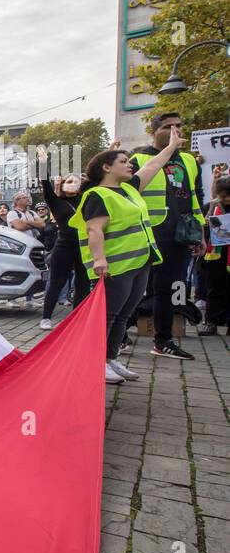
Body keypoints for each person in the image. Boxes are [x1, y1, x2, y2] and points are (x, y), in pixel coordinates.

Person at [72, 138, 180, 384]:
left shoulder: (130, 189)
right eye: (123, 161)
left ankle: (110, 359)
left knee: (123, 316)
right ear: (106, 168)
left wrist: (171, 147)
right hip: (115, 266)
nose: (130, 165)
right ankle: (96, 363)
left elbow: (153, 166)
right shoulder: (98, 195)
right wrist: (99, 259)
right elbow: (94, 230)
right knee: (107, 316)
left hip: (139, 261)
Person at [129, 112, 206, 360]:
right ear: (154, 132)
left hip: (181, 233)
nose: (175, 130)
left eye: (179, 126)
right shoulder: (139, 158)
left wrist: (200, 232)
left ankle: (163, 341)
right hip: (148, 231)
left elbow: (195, 196)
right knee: (132, 287)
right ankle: (116, 336)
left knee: (171, 288)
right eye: (168, 127)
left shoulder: (189, 160)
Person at [38, 174, 91, 330]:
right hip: (63, 246)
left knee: (83, 282)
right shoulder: (56, 201)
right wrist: (42, 164)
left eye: (76, 181)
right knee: (56, 282)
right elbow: (45, 184)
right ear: (62, 185)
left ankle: (77, 318)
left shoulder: (87, 199)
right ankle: (46, 318)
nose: (72, 183)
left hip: (83, 246)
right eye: (68, 181)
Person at [197, 173, 230, 336]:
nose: (224, 200)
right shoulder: (211, 206)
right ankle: (211, 321)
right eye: (222, 196)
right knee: (214, 288)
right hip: (215, 254)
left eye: (227, 197)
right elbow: (202, 224)